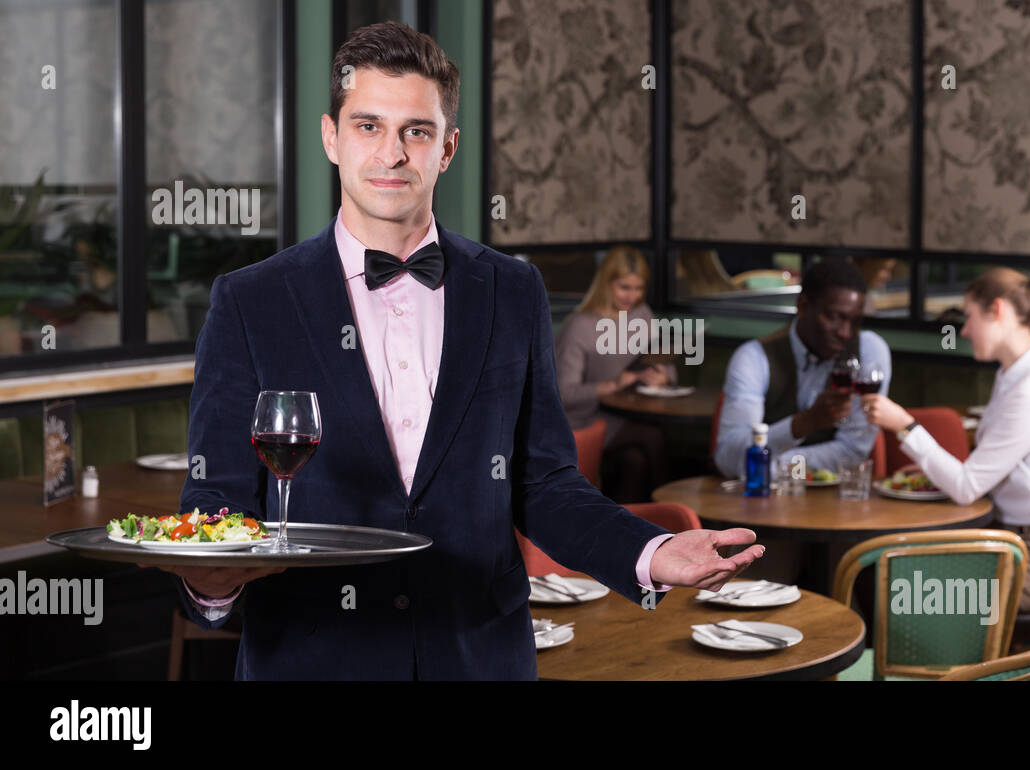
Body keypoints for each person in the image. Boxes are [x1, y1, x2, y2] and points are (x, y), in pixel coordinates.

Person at [144, 22, 763, 680]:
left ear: (447, 148)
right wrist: (213, 579)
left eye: (416, 130)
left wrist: (653, 552)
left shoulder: (512, 289)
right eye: (368, 126)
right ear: (331, 137)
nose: (391, 154)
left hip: (479, 657)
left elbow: (543, 482)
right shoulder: (250, 301)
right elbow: (217, 494)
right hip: (312, 658)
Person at [862, 268, 1030, 612]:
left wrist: (905, 426)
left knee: (900, 591)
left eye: (968, 317)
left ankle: (941, 668)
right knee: (881, 575)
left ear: (997, 311)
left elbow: (968, 487)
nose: (963, 330)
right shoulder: (1011, 375)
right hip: (1011, 542)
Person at [713, 257, 891, 583]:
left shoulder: (870, 352)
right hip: (767, 511)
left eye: (855, 321)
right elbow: (730, 458)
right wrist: (803, 424)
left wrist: (768, 466)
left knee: (859, 588)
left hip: (842, 508)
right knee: (759, 596)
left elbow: (852, 451)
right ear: (803, 304)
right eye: (835, 318)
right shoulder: (754, 358)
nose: (845, 332)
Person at [554, 245, 676, 503]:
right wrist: (612, 385)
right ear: (606, 283)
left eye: (639, 288)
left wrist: (664, 378)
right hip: (585, 419)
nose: (632, 296)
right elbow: (563, 394)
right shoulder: (580, 326)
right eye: (624, 287)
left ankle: (633, 532)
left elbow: (664, 363)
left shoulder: (642, 315)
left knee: (636, 461)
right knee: (652, 437)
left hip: (629, 416)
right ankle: (673, 517)